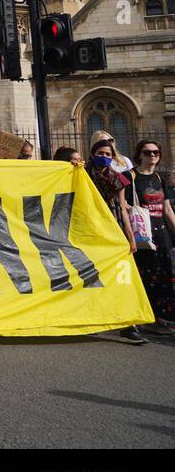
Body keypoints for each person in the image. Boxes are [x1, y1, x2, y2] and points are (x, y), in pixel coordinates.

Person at [84, 138, 145, 345]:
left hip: (114, 227)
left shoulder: (118, 179)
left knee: (123, 277)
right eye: (100, 153)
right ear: (93, 155)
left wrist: (130, 236)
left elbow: (122, 206)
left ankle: (129, 325)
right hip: (90, 230)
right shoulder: (82, 174)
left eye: (108, 154)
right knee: (92, 277)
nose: (104, 157)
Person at [128, 140, 175, 335]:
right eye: (147, 153)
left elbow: (167, 209)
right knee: (145, 273)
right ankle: (144, 317)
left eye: (155, 152)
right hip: (142, 232)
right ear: (139, 155)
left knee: (164, 274)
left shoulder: (158, 178)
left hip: (161, 232)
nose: (152, 156)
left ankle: (161, 318)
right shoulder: (130, 176)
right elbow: (122, 204)